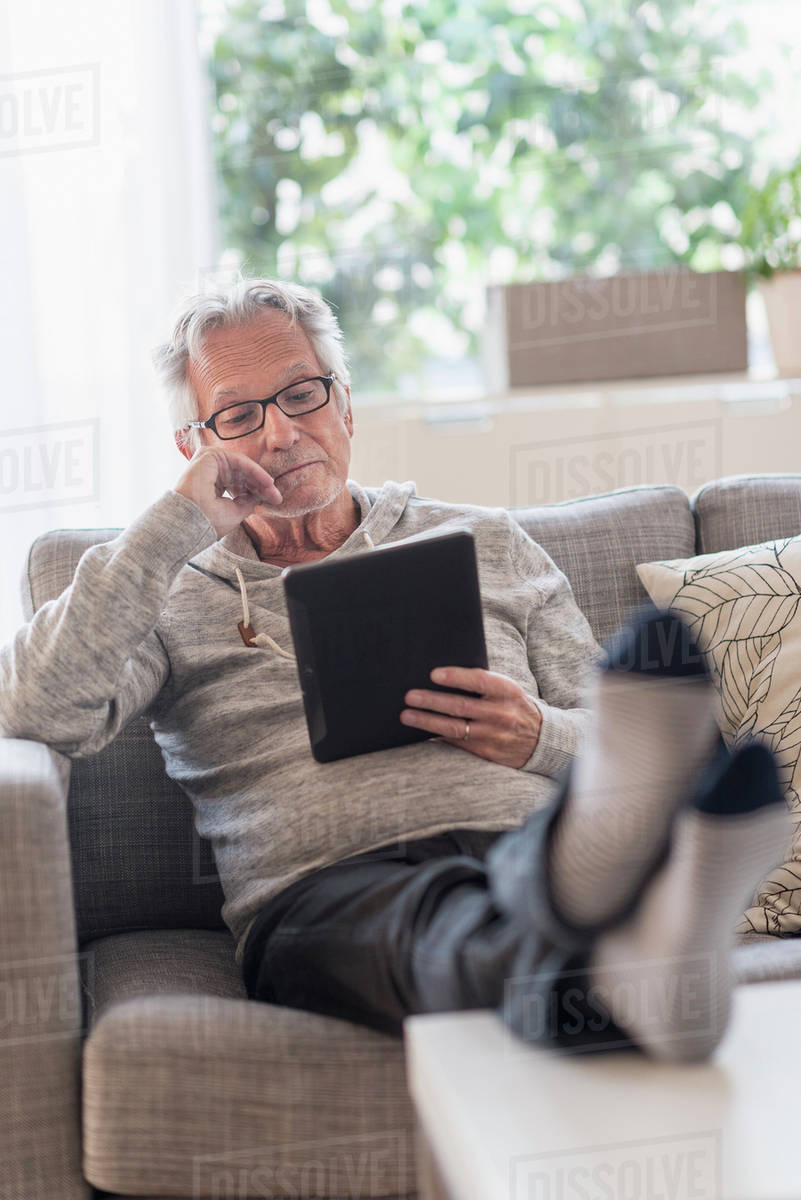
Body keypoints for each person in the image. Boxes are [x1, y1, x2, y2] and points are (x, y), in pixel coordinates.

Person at [0, 279, 788, 1060]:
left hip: (508, 835)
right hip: (324, 891)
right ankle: (596, 910)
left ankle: (599, 917)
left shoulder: (489, 542)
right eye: (238, 415)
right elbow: (33, 706)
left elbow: (620, 735)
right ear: (195, 446)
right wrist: (172, 524)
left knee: (539, 848)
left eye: (301, 394)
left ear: (344, 404)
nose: (279, 434)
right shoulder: (165, 592)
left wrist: (538, 736)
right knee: (441, 928)